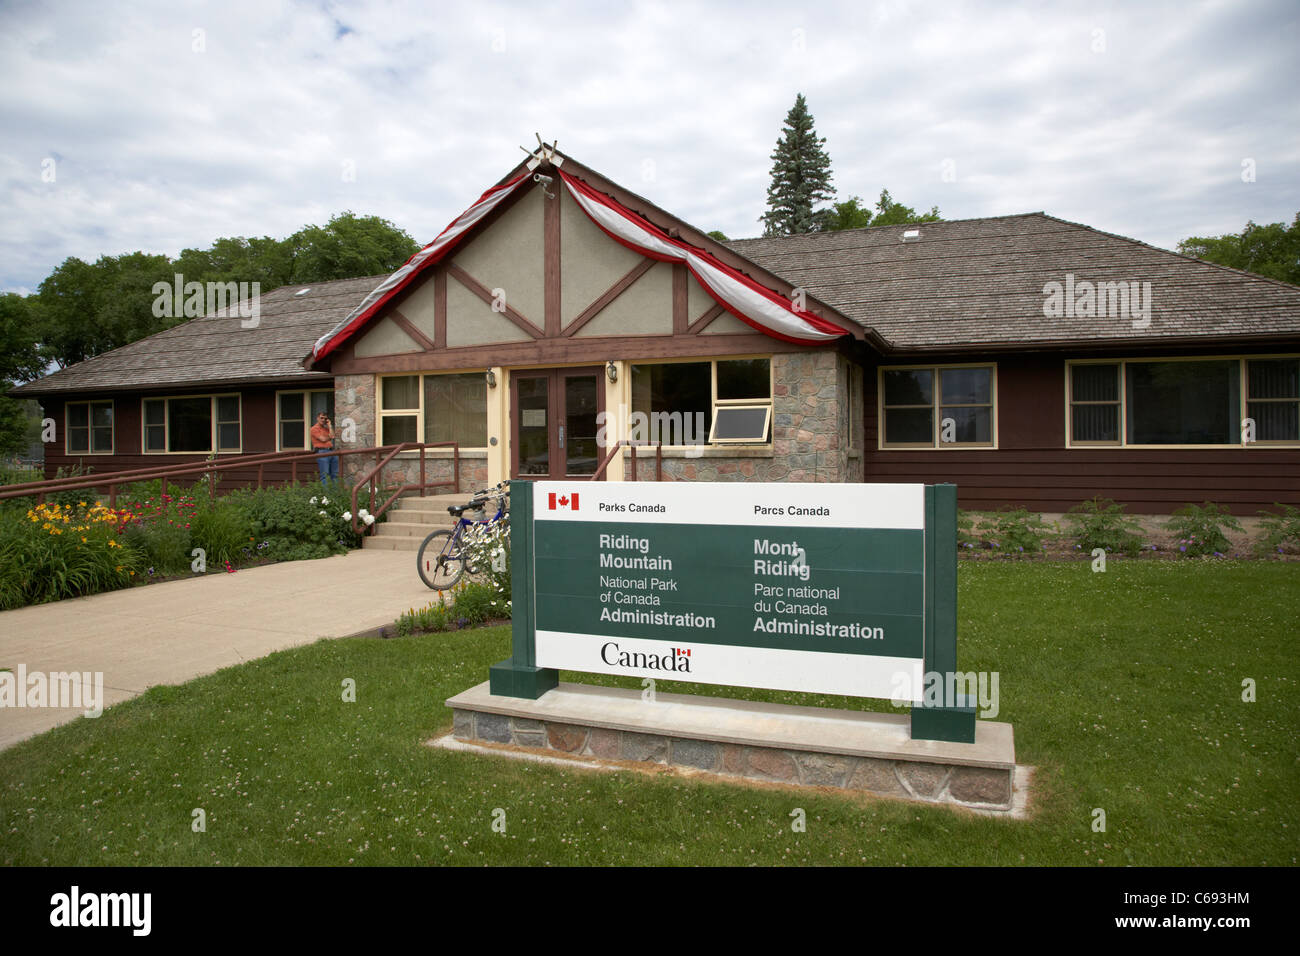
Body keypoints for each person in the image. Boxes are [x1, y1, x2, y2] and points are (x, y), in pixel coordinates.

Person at [309, 412, 339, 483]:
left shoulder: (326, 429)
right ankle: (326, 493)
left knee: (335, 474)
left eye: (325, 418)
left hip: (331, 451)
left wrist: (329, 425)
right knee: (325, 475)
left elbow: (333, 436)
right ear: (317, 418)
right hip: (322, 452)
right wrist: (330, 437)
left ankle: (335, 492)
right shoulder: (314, 429)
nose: (323, 420)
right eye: (321, 418)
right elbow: (323, 439)